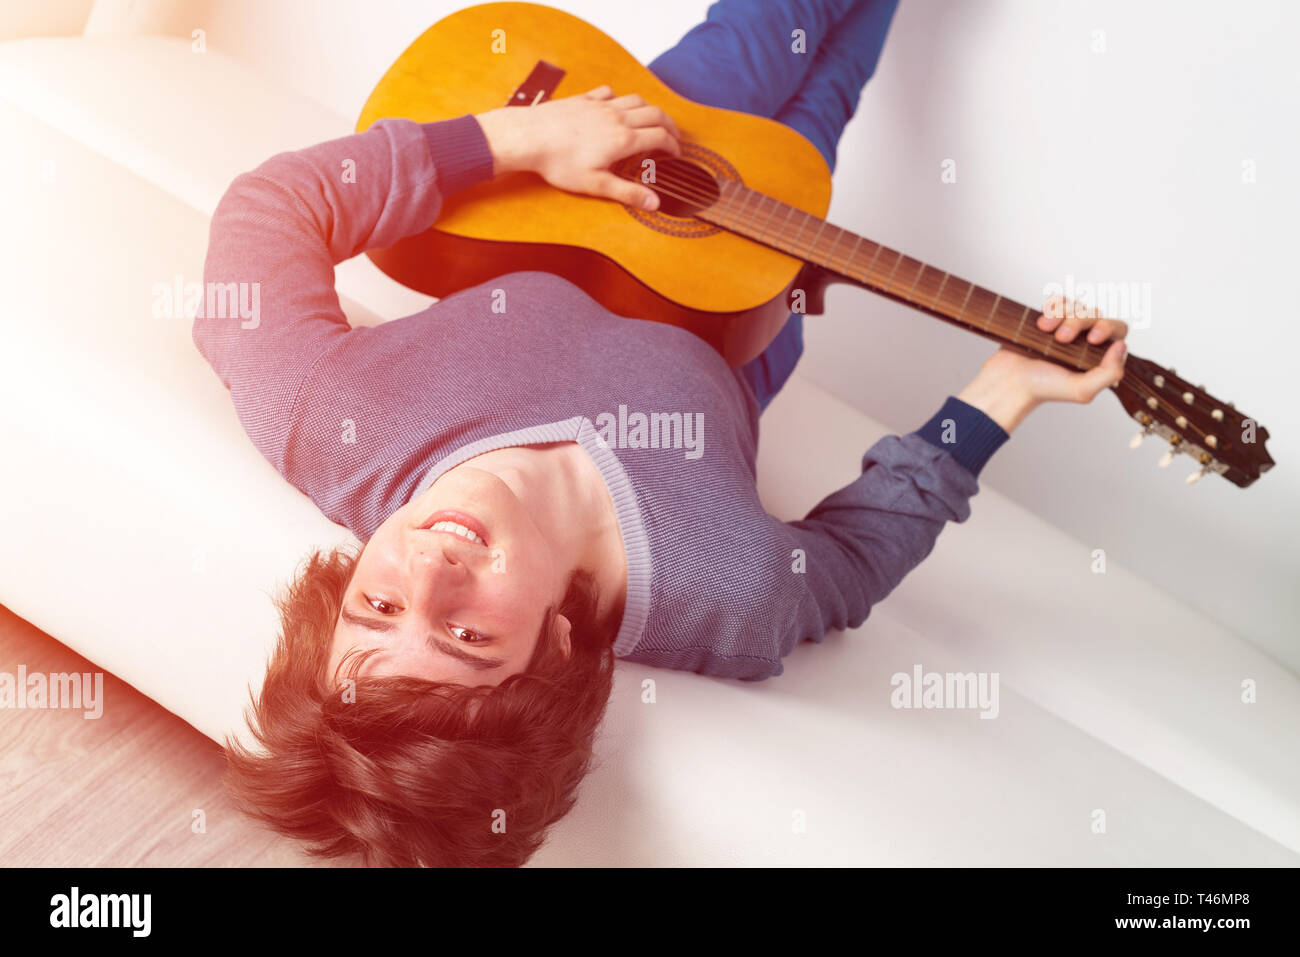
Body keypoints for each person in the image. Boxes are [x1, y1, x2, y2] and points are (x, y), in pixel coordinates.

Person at [194, 0, 1128, 867]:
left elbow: (269, 212)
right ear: (554, 653)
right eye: (467, 631)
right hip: (741, 319)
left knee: (772, 22)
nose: (431, 567)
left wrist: (519, 138)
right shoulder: (727, 594)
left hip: (590, 192)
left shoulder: (330, 420)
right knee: (828, 102)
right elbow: (851, 561)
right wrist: (1003, 393)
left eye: (377, 606)